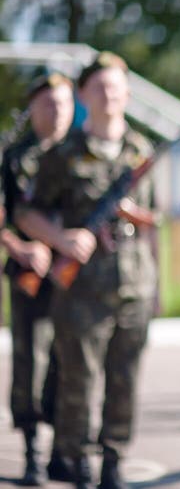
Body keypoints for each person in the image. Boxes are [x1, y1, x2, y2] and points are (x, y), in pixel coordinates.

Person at [15, 51, 159, 489]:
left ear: (128, 93)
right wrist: (62, 240)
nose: (108, 94)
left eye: (116, 86)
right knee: (77, 380)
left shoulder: (142, 152)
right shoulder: (63, 153)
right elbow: (26, 214)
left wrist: (158, 288)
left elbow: (154, 224)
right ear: (84, 95)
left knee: (125, 380)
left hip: (134, 283)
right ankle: (76, 464)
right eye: (98, 86)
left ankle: (114, 462)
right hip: (80, 290)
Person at [1, 70, 73, 485]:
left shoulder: (80, 153)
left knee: (70, 361)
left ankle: (64, 450)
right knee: (31, 359)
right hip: (30, 272)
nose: (56, 111)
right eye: (47, 103)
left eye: (64, 102)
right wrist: (19, 246)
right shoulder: (13, 157)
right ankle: (31, 451)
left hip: (75, 274)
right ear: (32, 107)